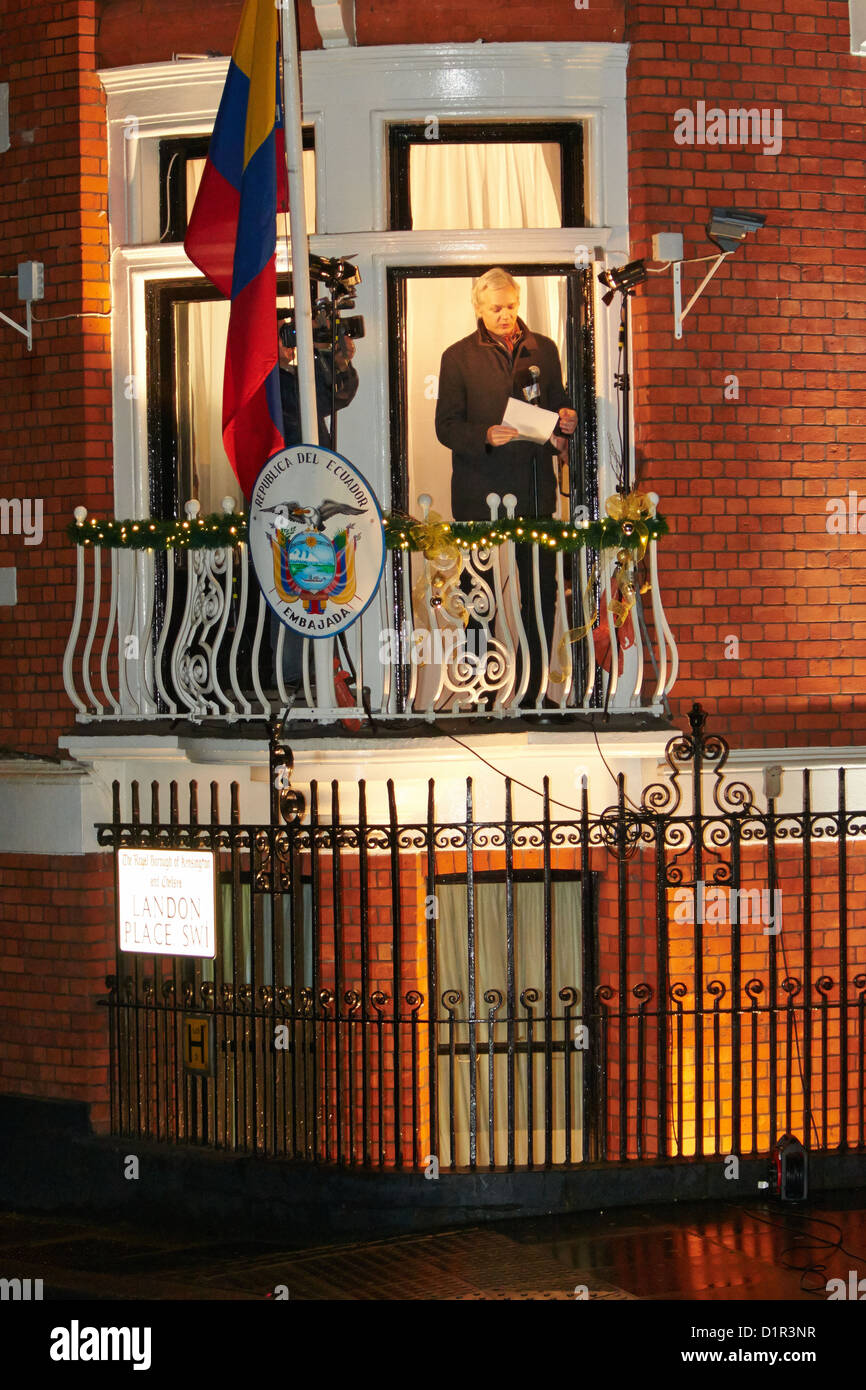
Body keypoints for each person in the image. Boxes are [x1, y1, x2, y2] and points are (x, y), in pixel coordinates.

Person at [434, 268, 577, 704]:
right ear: (478, 308)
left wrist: (565, 422)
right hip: (480, 495)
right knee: (480, 598)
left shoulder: (544, 350)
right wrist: (484, 435)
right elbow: (445, 427)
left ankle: (535, 694)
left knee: (540, 595)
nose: (505, 316)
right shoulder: (457, 356)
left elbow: (557, 408)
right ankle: (480, 692)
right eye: (495, 308)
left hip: (534, 491)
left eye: (511, 307)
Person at [271, 320, 359, 690]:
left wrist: (338, 363)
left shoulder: (293, 375)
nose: (291, 342)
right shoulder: (267, 380)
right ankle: (291, 675)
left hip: (311, 485)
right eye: (285, 334)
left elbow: (333, 398)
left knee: (314, 575)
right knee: (287, 580)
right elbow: (301, 402)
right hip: (282, 491)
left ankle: (316, 670)